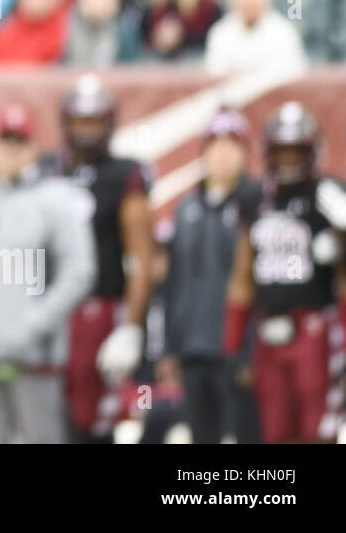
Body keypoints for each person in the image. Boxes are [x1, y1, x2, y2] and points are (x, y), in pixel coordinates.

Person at [0, 103, 96, 444]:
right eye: (3, 141)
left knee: (40, 438)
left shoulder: (55, 198)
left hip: (33, 354)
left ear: (33, 148)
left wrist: (35, 322)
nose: (9, 151)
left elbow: (79, 272)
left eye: (18, 142)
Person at [42, 74, 156, 442]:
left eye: (94, 120)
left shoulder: (125, 174)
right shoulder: (46, 170)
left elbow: (141, 258)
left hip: (100, 308)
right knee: (46, 418)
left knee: (92, 422)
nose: (86, 130)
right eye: (79, 120)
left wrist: (131, 326)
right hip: (49, 309)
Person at [223, 102, 346, 443]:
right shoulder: (254, 197)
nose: (289, 159)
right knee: (275, 432)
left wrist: (342, 244)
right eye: (282, 151)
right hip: (268, 329)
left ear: (312, 151)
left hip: (316, 328)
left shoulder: (330, 195)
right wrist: (233, 342)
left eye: (296, 151)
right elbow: (242, 275)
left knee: (317, 429)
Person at [157, 108, 262, 444]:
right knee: (201, 436)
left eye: (233, 144)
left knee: (245, 435)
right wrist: (169, 348)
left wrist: (249, 349)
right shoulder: (186, 208)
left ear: (247, 153)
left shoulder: (257, 205)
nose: (223, 153)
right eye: (215, 144)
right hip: (193, 348)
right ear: (202, 152)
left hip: (235, 351)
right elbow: (173, 284)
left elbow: (261, 286)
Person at [204, 0, 307, 76]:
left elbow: (293, 78)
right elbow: (214, 76)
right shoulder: (220, 33)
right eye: (244, 0)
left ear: (265, 0)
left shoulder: (284, 33)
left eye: (253, 0)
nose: (248, 6)